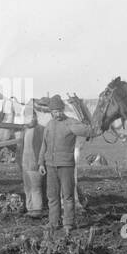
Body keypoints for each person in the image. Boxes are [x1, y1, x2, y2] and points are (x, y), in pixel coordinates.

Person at [38, 95, 90, 231]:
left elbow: (87, 130)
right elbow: (44, 145)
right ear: (51, 112)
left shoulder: (71, 123)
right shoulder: (49, 125)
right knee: (52, 196)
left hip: (66, 166)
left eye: (59, 111)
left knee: (67, 195)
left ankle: (68, 223)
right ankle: (53, 223)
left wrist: (95, 126)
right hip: (50, 166)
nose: (57, 114)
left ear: (63, 110)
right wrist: (41, 163)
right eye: (54, 112)